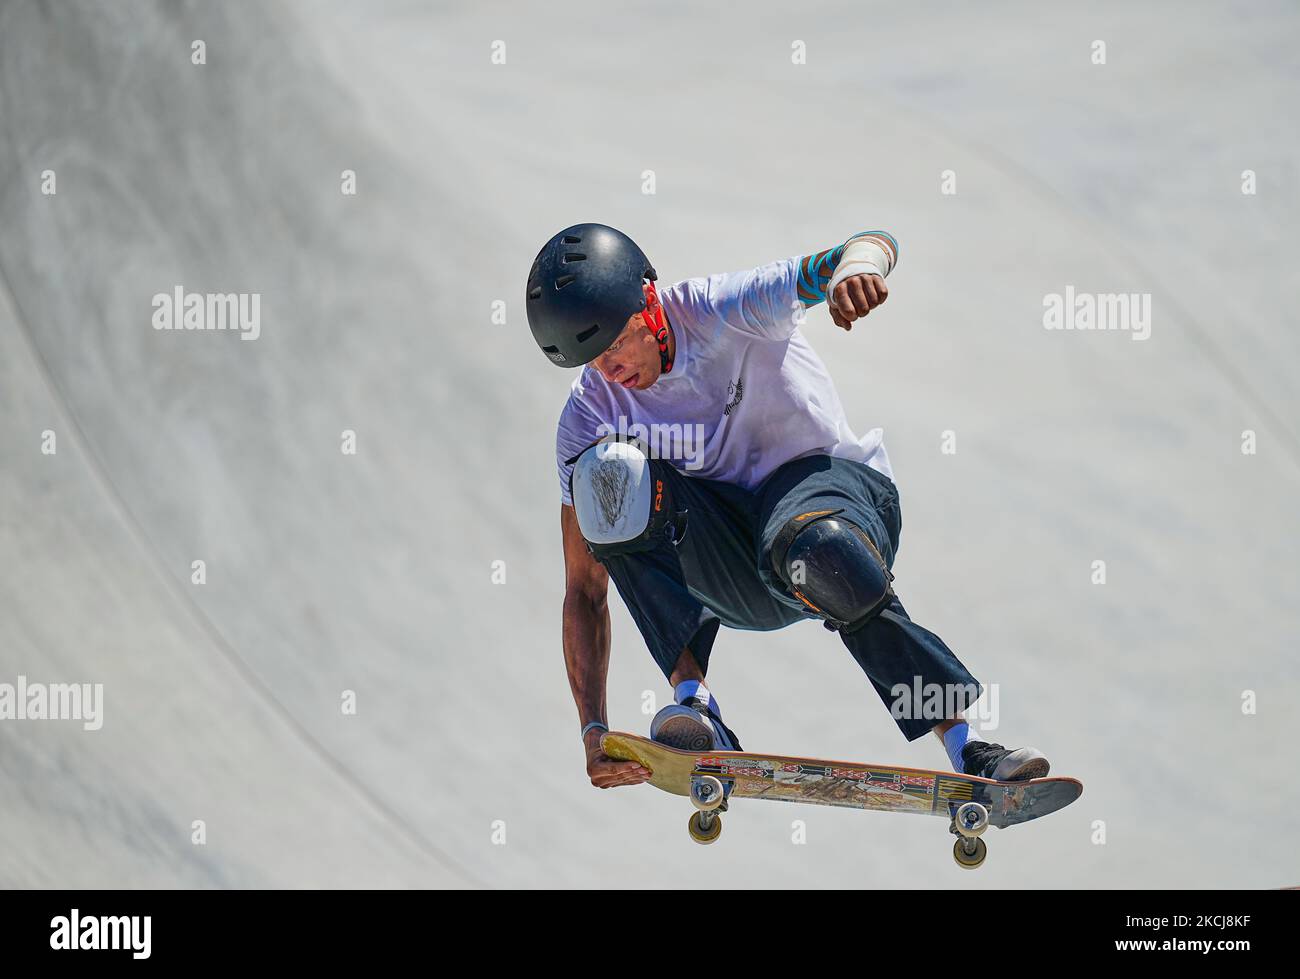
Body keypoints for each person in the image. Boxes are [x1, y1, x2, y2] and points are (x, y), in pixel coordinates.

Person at [526, 222, 1049, 791]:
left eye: (616, 344)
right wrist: (592, 730)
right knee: (607, 478)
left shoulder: (724, 308)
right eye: (593, 360)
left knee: (812, 544)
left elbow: (870, 242)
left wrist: (858, 270)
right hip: (738, 570)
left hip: (839, 503)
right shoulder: (588, 416)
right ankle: (697, 711)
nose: (611, 370)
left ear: (649, 303)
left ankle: (967, 744)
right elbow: (583, 589)